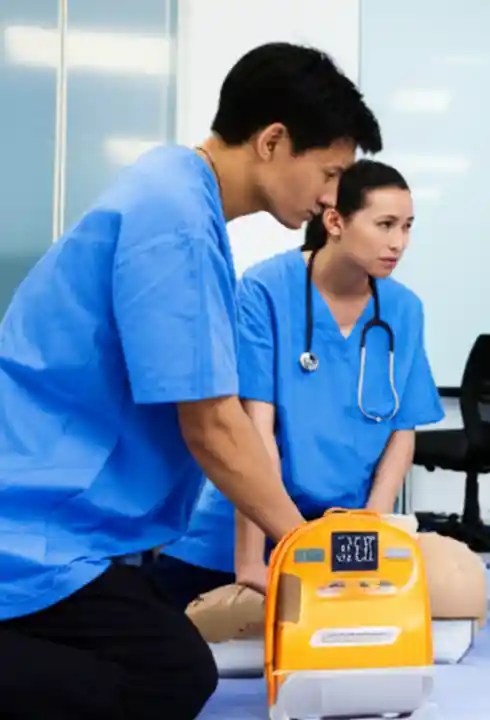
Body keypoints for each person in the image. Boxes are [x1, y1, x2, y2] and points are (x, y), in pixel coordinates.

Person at [0, 42, 382, 719]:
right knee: (169, 675)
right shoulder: (174, 219)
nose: (333, 199)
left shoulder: (174, 192)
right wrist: (306, 549)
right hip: (34, 525)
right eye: (329, 173)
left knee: (163, 649)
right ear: (272, 141)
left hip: (78, 521)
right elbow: (211, 424)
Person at [148, 159, 446, 609]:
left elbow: (402, 432)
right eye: (385, 225)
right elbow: (255, 432)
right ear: (335, 222)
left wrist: (369, 533)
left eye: (407, 227)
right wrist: (251, 561)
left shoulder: (404, 309)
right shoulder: (266, 289)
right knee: (165, 624)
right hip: (244, 524)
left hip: (340, 528)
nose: (398, 243)